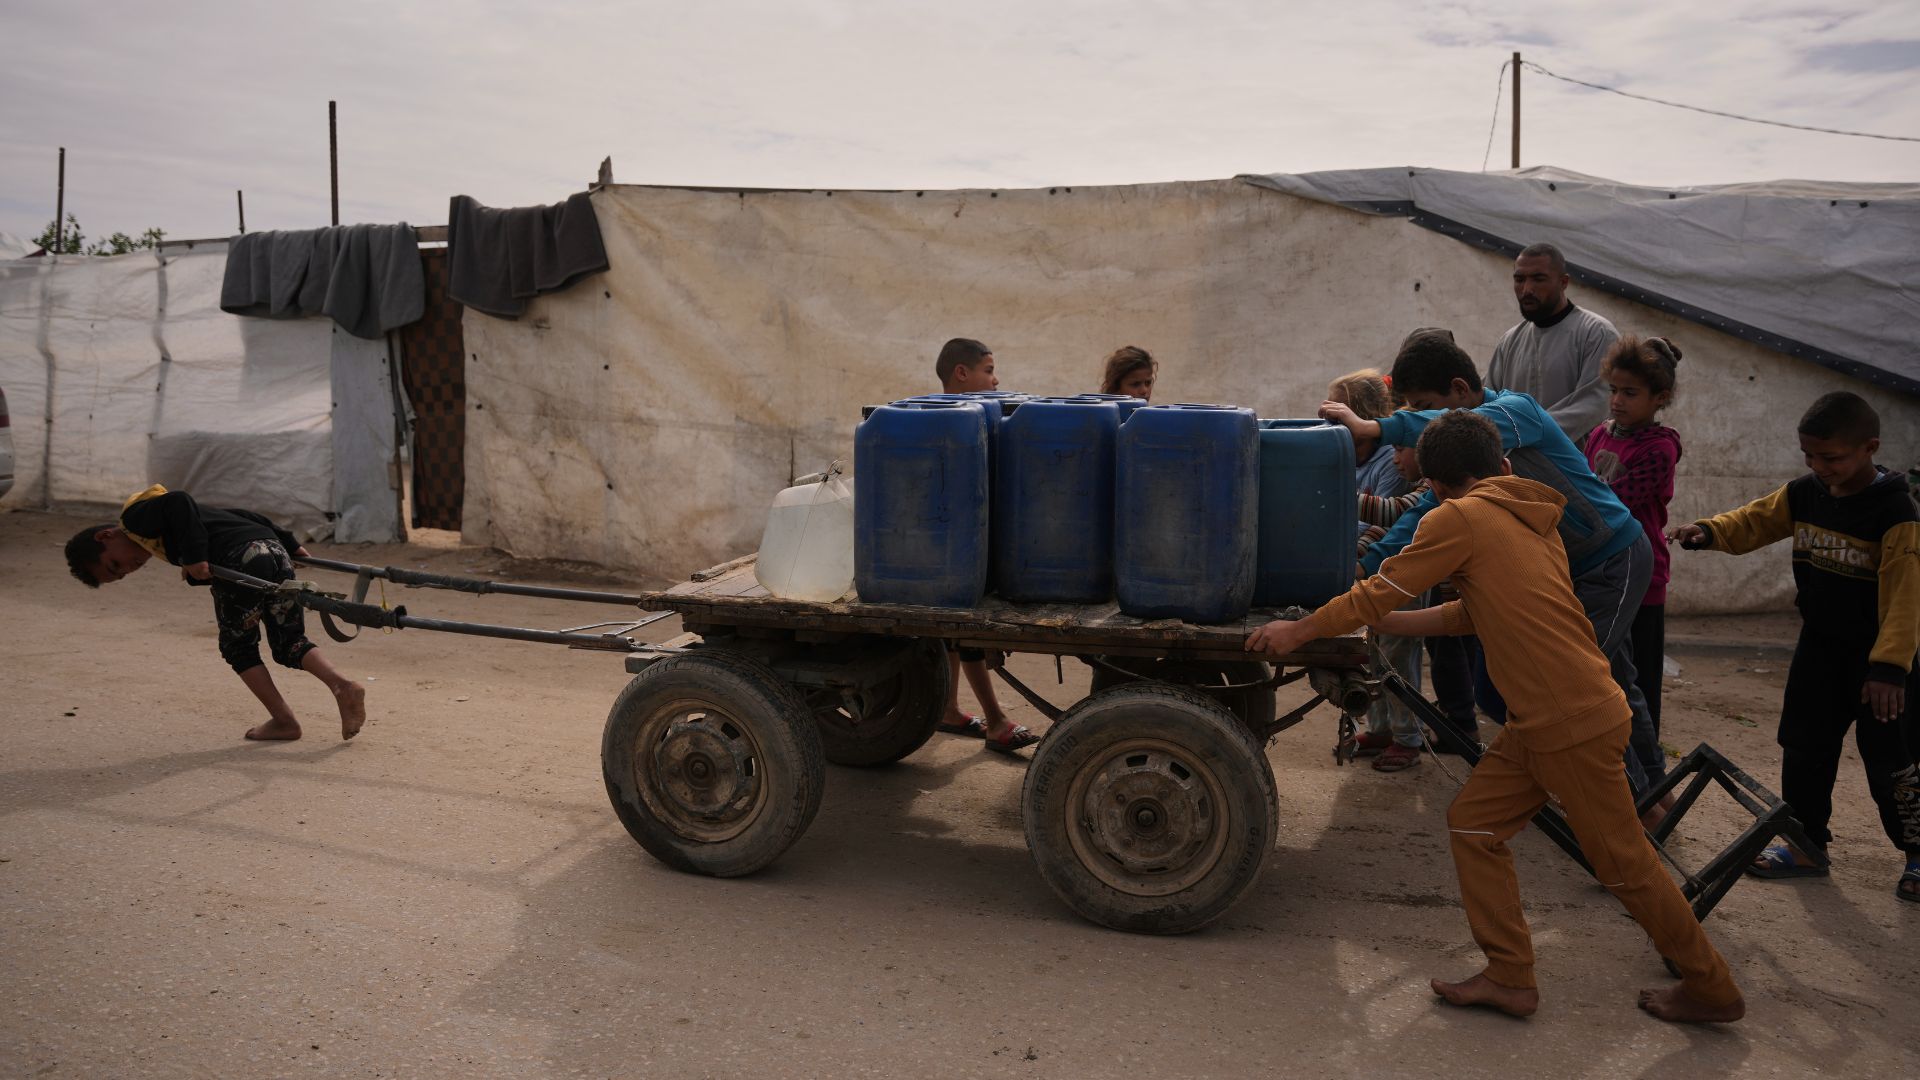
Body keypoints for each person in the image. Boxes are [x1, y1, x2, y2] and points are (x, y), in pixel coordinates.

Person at [1247, 411, 1744, 1023]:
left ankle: (1712, 986)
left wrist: (1301, 629)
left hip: (1567, 720)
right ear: (1502, 465)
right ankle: (1509, 975)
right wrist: (1386, 624)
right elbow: (1470, 614)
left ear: (1433, 486)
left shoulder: (1459, 516)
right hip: (1551, 716)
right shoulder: (1528, 517)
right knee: (1476, 825)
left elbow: (1382, 588)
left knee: (1624, 863)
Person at [1321, 332, 1667, 802]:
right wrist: (1368, 566)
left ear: (1461, 390)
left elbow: (1450, 426)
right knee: (1614, 681)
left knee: (1578, 687)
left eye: (1423, 405)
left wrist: (1378, 429)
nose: (1421, 423)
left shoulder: (1514, 412)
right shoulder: (1456, 469)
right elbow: (1420, 511)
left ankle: (1629, 806)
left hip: (1611, 557)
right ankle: (1653, 794)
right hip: (1569, 567)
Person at [1669, 391, 1919, 902]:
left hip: (1879, 665)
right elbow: (1757, 519)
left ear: (1870, 447)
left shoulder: (1896, 512)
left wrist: (1890, 669)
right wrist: (1709, 531)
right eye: (1809, 456)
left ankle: (1918, 854)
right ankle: (1806, 843)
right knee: (1804, 747)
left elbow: (1906, 597)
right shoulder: (1807, 493)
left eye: (1831, 458)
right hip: (1820, 649)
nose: (1818, 467)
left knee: (1892, 762)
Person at [64, 485, 368, 742]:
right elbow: (246, 517)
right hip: (270, 550)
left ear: (105, 536)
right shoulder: (171, 530)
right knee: (289, 642)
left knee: (238, 647)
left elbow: (178, 500)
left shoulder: (135, 518)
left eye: (115, 564)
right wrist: (289, 544)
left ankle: (284, 721)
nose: (128, 569)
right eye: (121, 575)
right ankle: (343, 686)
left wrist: (194, 556)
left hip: (240, 557)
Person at [930, 337, 1038, 753]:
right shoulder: (950, 422)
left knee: (951, 635)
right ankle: (995, 720)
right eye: (988, 370)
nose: (996, 380)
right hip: (957, 548)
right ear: (962, 373)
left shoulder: (971, 419)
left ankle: (949, 708)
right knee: (965, 632)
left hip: (959, 545)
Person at [1585, 335, 1683, 741]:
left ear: (1660, 397)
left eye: (1630, 392)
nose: (1618, 401)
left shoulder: (1659, 448)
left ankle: (1645, 765)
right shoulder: (1598, 435)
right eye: (1613, 390)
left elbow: (1612, 505)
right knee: (1603, 671)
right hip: (1601, 567)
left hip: (1642, 575)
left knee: (1639, 679)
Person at [1487, 243, 1619, 446]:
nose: (1527, 289)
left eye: (1538, 279)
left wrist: (1524, 433)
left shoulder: (1597, 333)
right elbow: (1489, 401)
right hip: (1516, 470)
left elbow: (1594, 405)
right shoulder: (1510, 341)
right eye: (1519, 279)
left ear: (1563, 282)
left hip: (1576, 470)